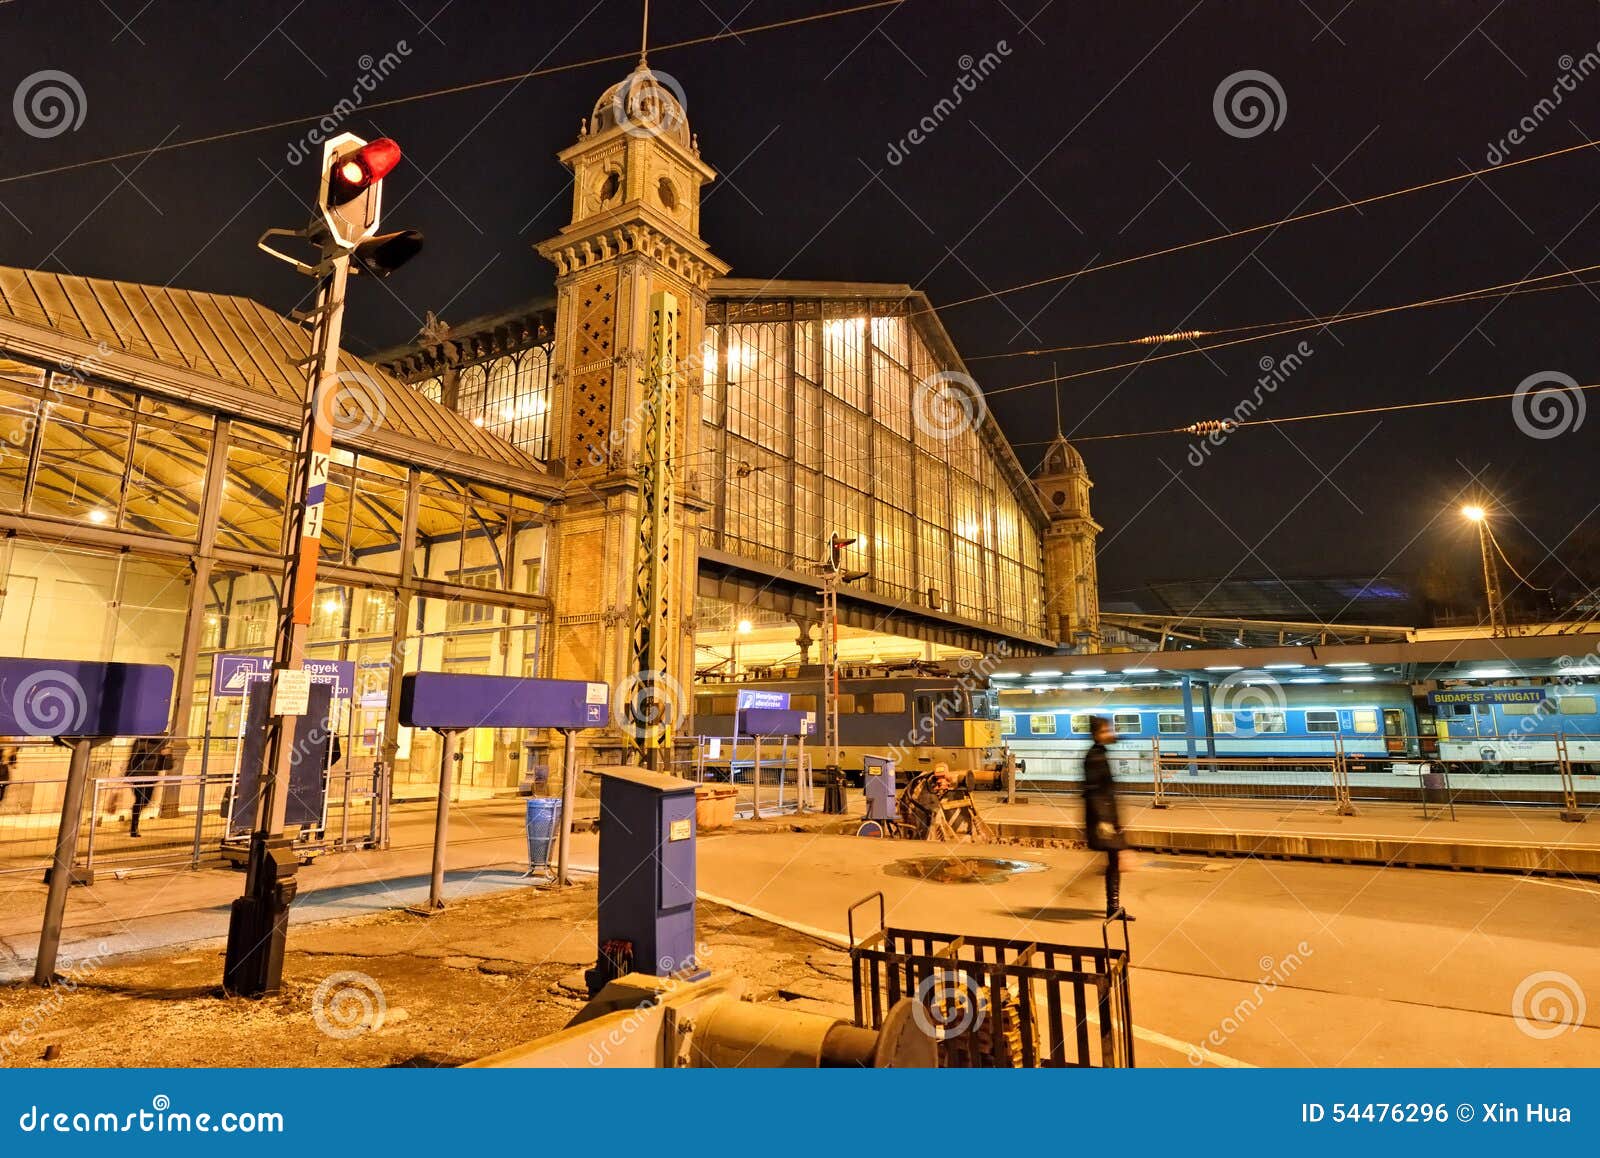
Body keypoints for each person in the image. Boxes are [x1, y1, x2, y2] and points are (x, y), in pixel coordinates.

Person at [1082, 716, 1133, 920]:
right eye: (1106, 731)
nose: (1111, 733)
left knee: (1114, 860)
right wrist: (1104, 821)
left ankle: (1113, 905)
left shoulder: (1099, 753)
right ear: (1097, 734)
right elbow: (1094, 791)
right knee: (1114, 859)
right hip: (1102, 820)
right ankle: (1113, 906)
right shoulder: (1094, 757)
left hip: (1107, 818)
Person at [126, 734, 172, 838]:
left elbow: (166, 766)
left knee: (145, 801)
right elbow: (133, 758)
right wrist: (128, 774)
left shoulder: (162, 743)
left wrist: (167, 755)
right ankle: (134, 828)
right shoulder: (140, 741)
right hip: (139, 776)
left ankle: (134, 818)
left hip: (151, 776)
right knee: (139, 800)